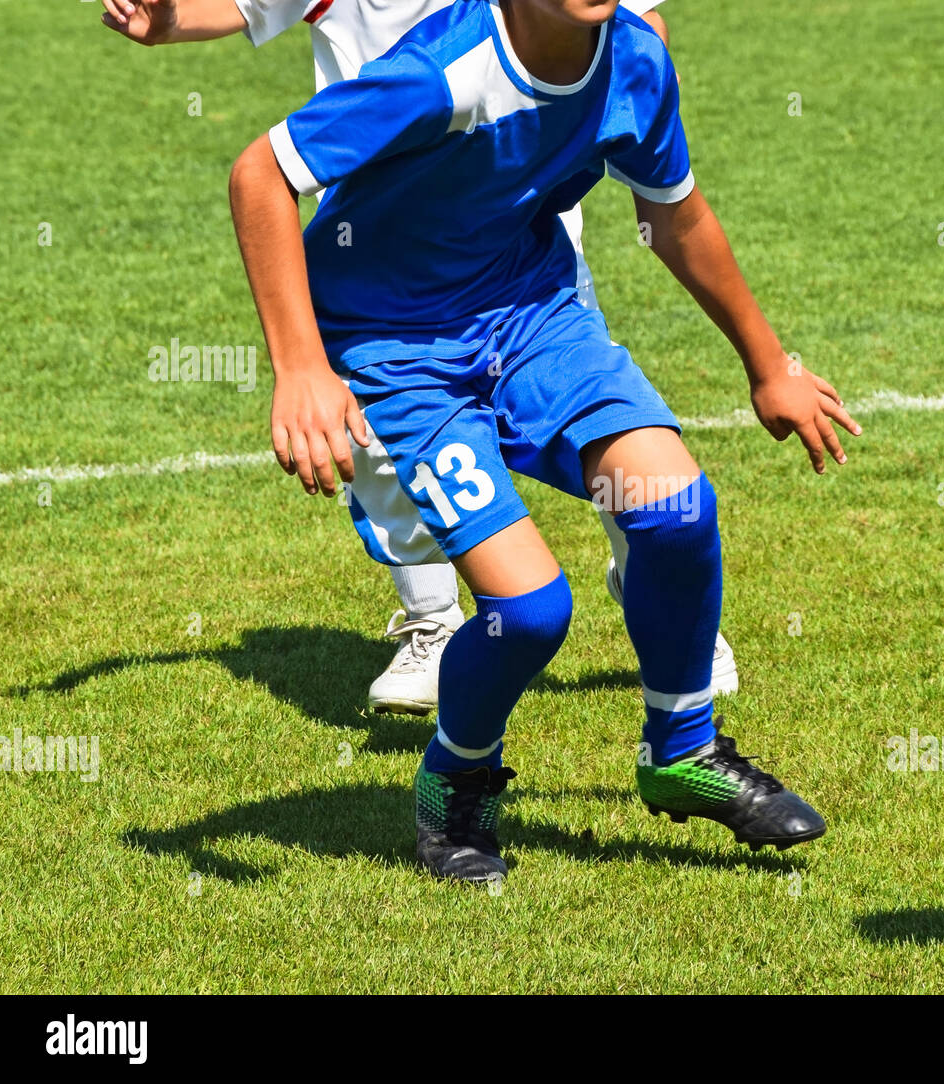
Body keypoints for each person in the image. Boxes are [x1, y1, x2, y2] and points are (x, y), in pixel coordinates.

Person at [225, 0, 859, 883]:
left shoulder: (633, 59)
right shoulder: (441, 68)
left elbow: (672, 213)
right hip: (397, 347)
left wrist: (768, 364)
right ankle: (456, 784)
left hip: (533, 320)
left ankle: (682, 752)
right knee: (530, 613)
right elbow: (262, 173)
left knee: (675, 510)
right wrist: (299, 367)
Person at [100, 0, 740, 715]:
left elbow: (636, 27)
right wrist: (170, 20)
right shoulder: (432, 71)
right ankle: (434, 624)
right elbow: (249, 11)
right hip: (386, 247)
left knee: (611, 435)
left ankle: (666, 601)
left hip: (524, 229)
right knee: (386, 457)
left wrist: (619, 94)